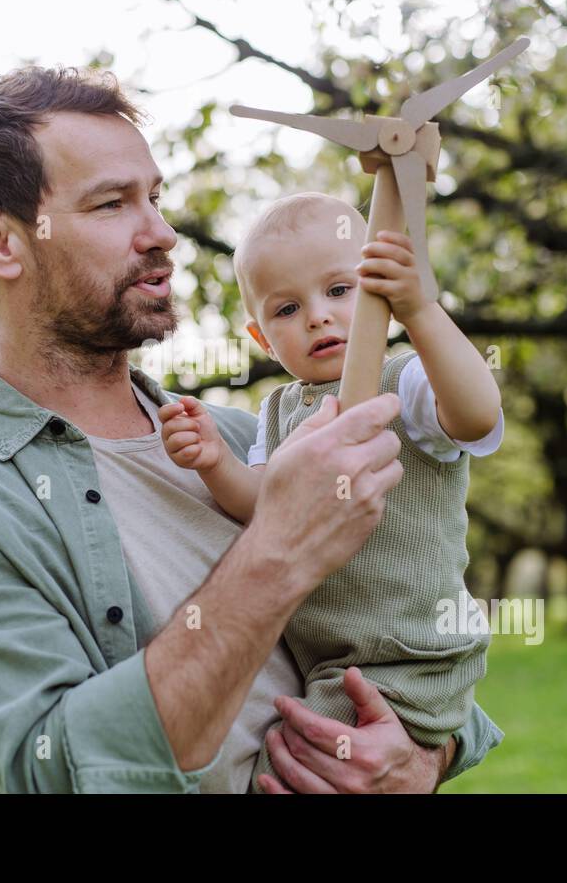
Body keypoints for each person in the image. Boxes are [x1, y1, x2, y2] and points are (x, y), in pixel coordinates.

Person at [0, 65, 504, 793]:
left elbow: (405, 630)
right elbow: (56, 778)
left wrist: (421, 758)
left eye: (156, 199)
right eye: (111, 204)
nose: (162, 234)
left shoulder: (240, 438)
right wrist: (279, 543)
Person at [158, 192, 504, 793]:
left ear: (381, 295)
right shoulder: (276, 412)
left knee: (289, 775)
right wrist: (215, 461)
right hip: (339, 661)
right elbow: (262, 504)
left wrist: (421, 310)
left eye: (340, 291)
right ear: (262, 338)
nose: (317, 317)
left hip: (406, 657)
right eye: (288, 308)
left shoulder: (406, 381)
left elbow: (476, 416)